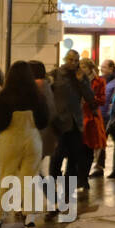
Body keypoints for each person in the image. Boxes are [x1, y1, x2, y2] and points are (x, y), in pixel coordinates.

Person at [0, 61, 51, 228]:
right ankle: (29, 219)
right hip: (32, 140)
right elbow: (44, 121)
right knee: (29, 179)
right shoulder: (37, 97)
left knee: (6, 178)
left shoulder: (2, 97)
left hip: (10, 140)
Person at [48, 50, 97, 199]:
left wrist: (82, 81)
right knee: (57, 156)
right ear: (65, 59)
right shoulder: (56, 74)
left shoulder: (81, 76)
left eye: (76, 60)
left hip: (76, 123)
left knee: (74, 158)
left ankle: (68, 191)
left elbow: (90, 97)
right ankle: (54, 184)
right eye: (71, 60)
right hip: (59, 122)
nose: (74, 63)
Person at [93, 60, 115, 178]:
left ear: (111, 68)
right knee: (114, 141)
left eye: (104, 67)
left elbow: (114, 100)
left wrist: (111, 115)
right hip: (101, 115)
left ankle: (99, 168)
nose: (101, 69)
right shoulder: (102, 79)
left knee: (106, 142)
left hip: (110, 117)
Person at [79, 59, 108, 174]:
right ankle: (80, 174)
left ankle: (87, 172)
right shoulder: (78, 80)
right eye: (80, 67)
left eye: (84, 67)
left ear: (90, 68)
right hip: (80, 115)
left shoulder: (99, 81)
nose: (82, 70)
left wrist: (90, 99)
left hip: (92, 115)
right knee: (80, 147)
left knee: (90, 146)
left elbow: (102, 100)